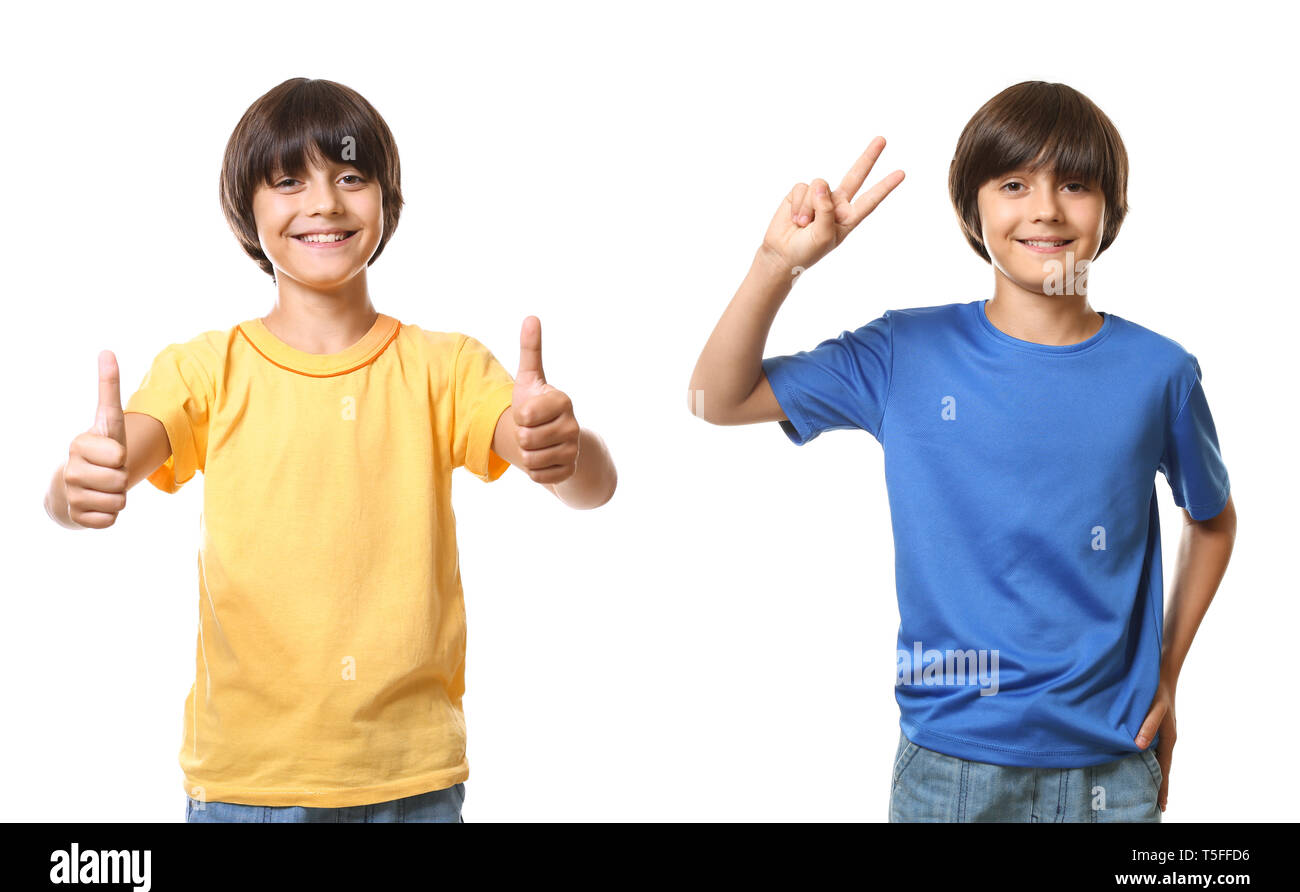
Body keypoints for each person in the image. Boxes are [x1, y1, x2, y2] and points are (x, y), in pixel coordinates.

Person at [43, 77, 617, 823]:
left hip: (412, 783)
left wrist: (559, 449)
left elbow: (589, 483)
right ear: (246, 212)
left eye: (352, 176)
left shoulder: (444, 367)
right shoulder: (205, 369)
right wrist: (75, 482)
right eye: (289, 181)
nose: (325, 202)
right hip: (245, 786)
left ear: (388, 199)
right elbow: (110, 462)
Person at [688, 81, 1235, 822]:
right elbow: (716, 397)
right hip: (949, 770)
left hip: (1113, 765)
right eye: (1014, 183)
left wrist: (1169, 670)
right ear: (970, 210)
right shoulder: (902, 353)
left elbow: (1212, 517)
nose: (1044, 208)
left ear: (1111, 209)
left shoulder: (1160, 371)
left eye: (1074, 184)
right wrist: (776, 261)